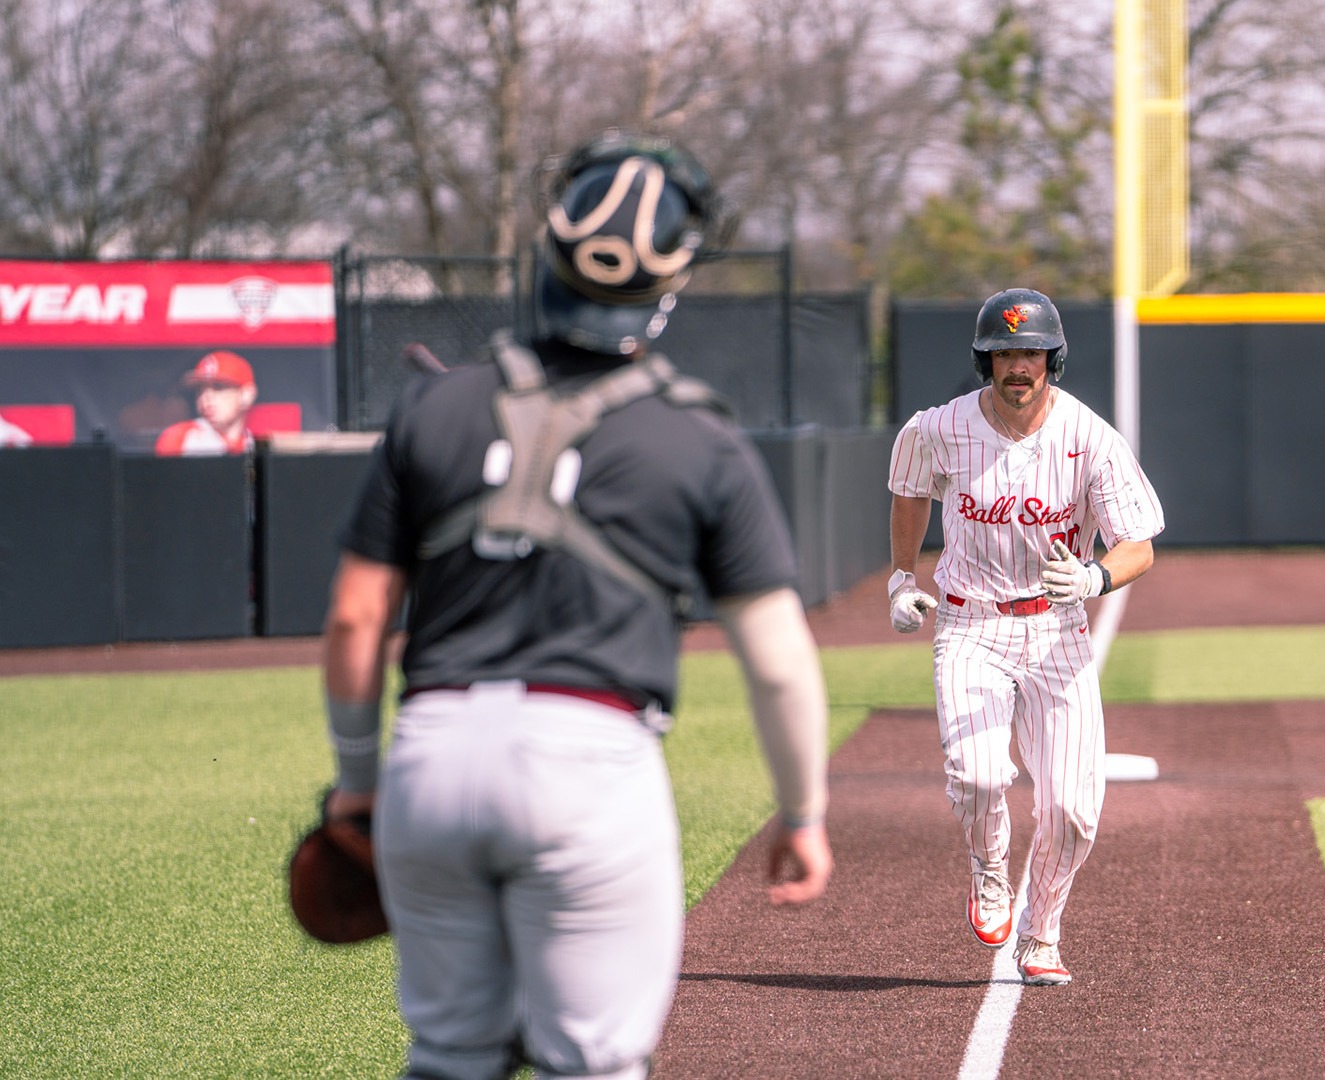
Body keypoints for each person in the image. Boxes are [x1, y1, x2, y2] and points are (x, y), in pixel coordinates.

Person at [319, 132, 833, 1080]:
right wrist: (801, 813)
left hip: (430, 757)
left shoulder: (433, 408)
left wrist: (357, 778)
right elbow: (778, 660)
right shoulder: (702, 438)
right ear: (667, 285)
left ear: (547, 255)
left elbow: (356, 617)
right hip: (590, 766)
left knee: (448, 1055)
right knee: (592, 1061)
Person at [885, 287, 1164, 987]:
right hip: (970, 622)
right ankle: (989, 870)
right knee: (979, 777)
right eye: (1005, 351)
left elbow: (1140, 543)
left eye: (1031, 352)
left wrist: (1097, 579)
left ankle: (1042, 933)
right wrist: (899, 576)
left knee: (1072, 808)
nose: (1019, 366)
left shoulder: (1089, 436)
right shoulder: (937, 428)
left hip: (1057, 628)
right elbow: (910, 492)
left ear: (1052, 359)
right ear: (986, 359)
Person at [155, 350, 257, 455]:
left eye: (218, 387)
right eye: (200, 389)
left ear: (247, 395)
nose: (206, 397)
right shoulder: (180, 438)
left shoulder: (258, 442)